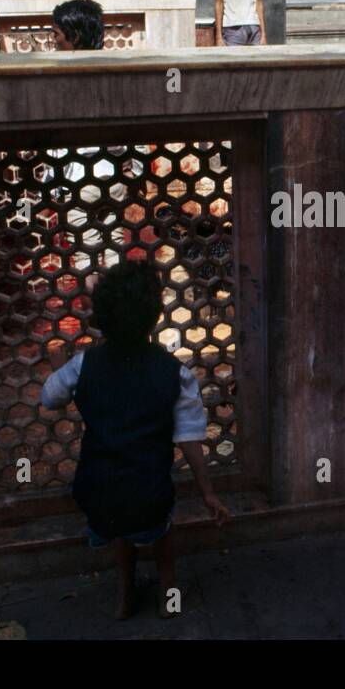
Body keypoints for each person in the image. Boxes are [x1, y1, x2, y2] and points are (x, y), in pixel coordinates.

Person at [40, 261, 230, 619]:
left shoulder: (84, 365)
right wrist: (208, 492)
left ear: (102, 316)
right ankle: (167, 596)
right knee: (161, 527)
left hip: (97, 494)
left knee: (120, 524)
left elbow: (49, 397)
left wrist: (57, 366)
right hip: (148, 494)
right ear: (155, 316)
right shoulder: (175, 373)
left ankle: (124, 598)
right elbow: (189, 438)